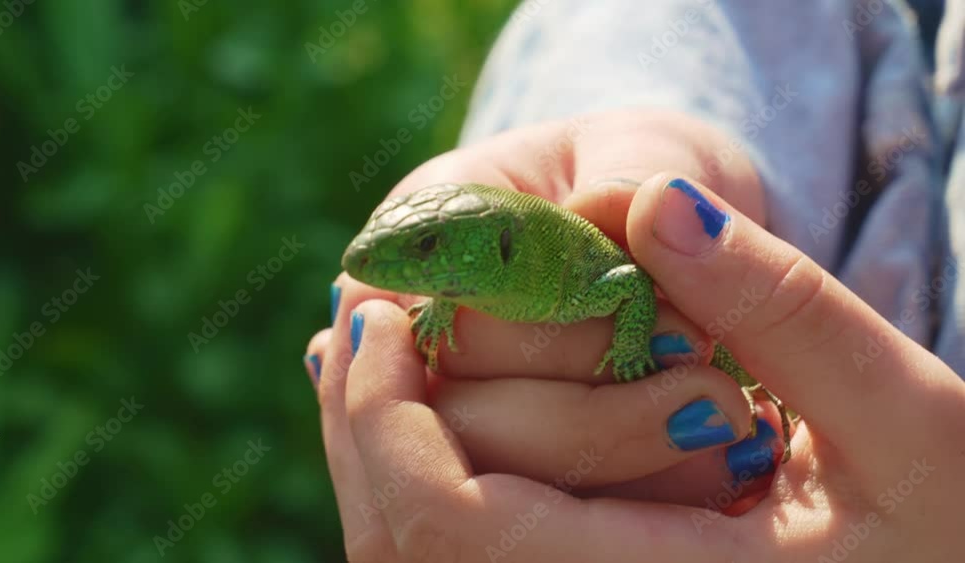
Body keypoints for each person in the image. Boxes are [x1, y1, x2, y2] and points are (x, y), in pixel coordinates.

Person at [305, 1, 965, 560]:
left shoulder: (543, 274)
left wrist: (627, 352)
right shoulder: (494, 262)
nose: (373, 264)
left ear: (499, 243)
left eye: (424, 247)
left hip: (726, 349)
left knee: (726, 368)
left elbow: (628, 285)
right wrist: (646, 128)